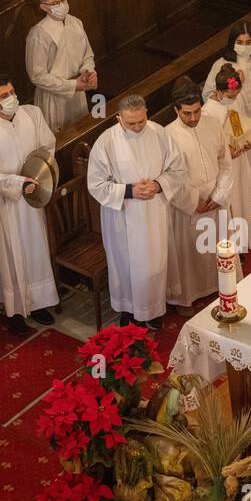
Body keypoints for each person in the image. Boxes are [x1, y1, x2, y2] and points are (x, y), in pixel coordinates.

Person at [86, 94, 187, 330]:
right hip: (123, 215)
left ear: (146, 113)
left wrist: (159, 184)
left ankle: (152, 310)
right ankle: (129, 310)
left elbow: (178, 169)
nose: (138, 127)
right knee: (125, 264)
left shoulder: (159, 133)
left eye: (141, 121)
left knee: (154, 261)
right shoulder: (106, 142)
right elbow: (96, 184)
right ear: (118, 118)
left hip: (154, 212)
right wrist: (130, 191)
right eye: (131, 123)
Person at [0, 73, 59, 334]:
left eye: (12, 92)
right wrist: (18, 183)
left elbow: (47, 147)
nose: (11, 99)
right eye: (4, 96)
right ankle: (15, 310)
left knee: (35, 248)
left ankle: (40, 303)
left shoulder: (32, 114)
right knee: (11, 253)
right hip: (6, 200)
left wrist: (39, 172)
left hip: (33, 195)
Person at [165, 77, 234, 315]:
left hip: (216, 198)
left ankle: (219, 286)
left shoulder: (213, 123)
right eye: (187, 113)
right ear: (176, 110)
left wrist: (220, 194)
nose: (193, 118)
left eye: (196, 112)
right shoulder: (168, 136)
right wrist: (195, 202)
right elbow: (169, 178)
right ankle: (187, 297)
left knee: (217, 247)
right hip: (188, 203)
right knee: (189, 253)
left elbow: (225, 163)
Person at [201, 22, 251, 219]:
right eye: (240, 41)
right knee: (240, 168)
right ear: (232, 43)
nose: (244, 45)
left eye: (248, 41)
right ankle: (243, 213)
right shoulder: (221, 64)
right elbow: (208, 94)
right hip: (233, 119)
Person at [24, 0, 96, 134]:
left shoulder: (75, 22)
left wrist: (88, 72)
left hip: (78, 92)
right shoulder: (38, 34)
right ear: (44, 7)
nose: (61, 5)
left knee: (81, 133)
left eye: (63, 0)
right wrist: (71, 85)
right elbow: (37, 76)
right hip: (54, 97)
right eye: (55, 3)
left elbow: (87, 54)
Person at [200, 63, 251, 251]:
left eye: (237, 95)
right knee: (229, 207)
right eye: (231, 96)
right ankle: (231, 246)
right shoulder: (208, 112)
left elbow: (237, 129)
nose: (234, 99)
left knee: (240, 200)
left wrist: (245, 142)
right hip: (224, 167)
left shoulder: (232, 103)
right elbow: (209, 148)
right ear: (218, 91)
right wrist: (228, 154)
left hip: (238, 162)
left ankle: (241, 242)